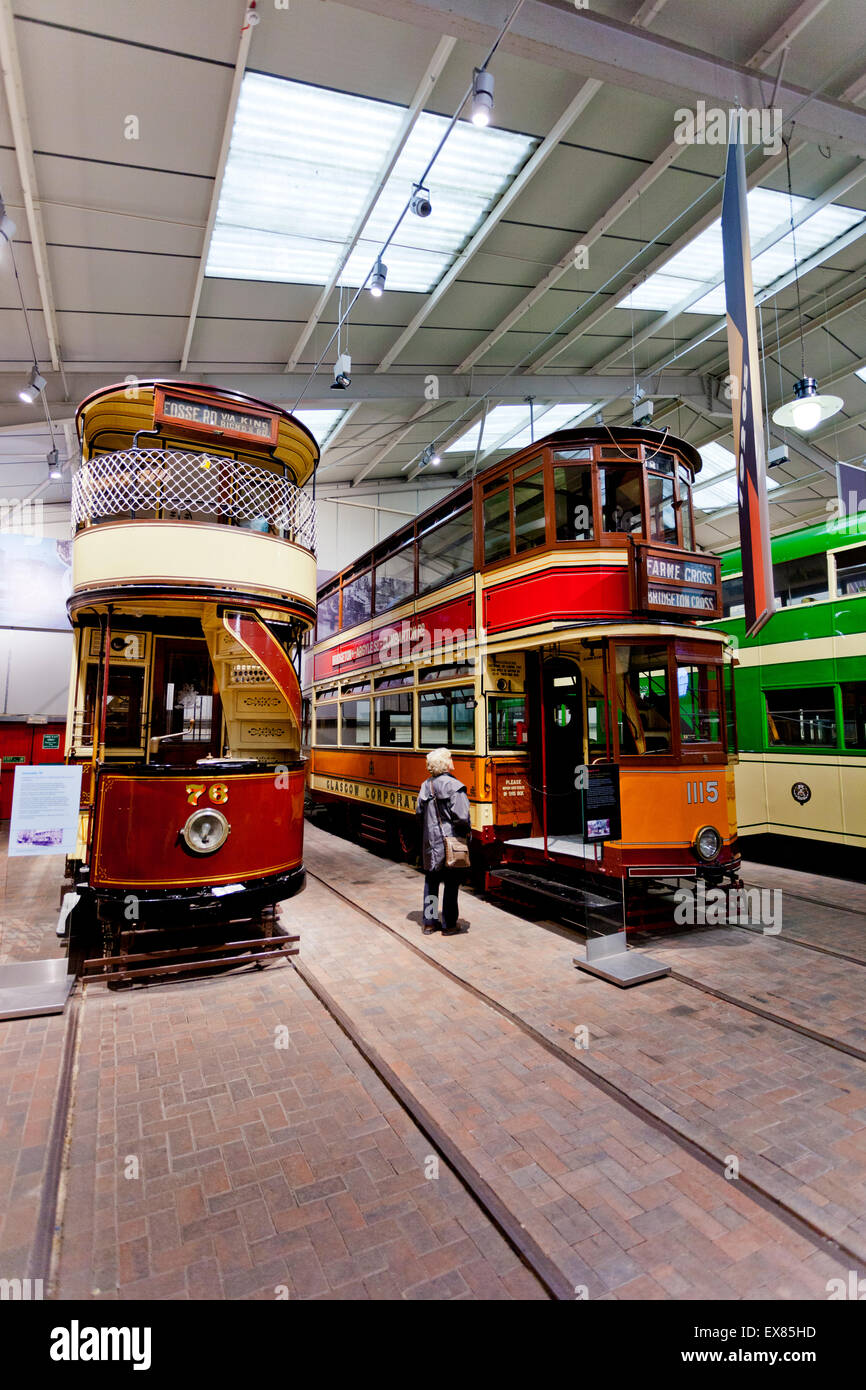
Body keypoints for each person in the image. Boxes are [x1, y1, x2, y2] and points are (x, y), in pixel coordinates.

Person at [415, 748, 471, 936]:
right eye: (450, 758)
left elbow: (419, 813)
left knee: (431, 882)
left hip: (431, 843)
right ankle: (449, 924)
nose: (452, 760)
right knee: (451, 883)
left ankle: (429, 923)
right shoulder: (455, 787)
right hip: (450, 843)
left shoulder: (425, 786)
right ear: (445, 764)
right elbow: (462, 817)